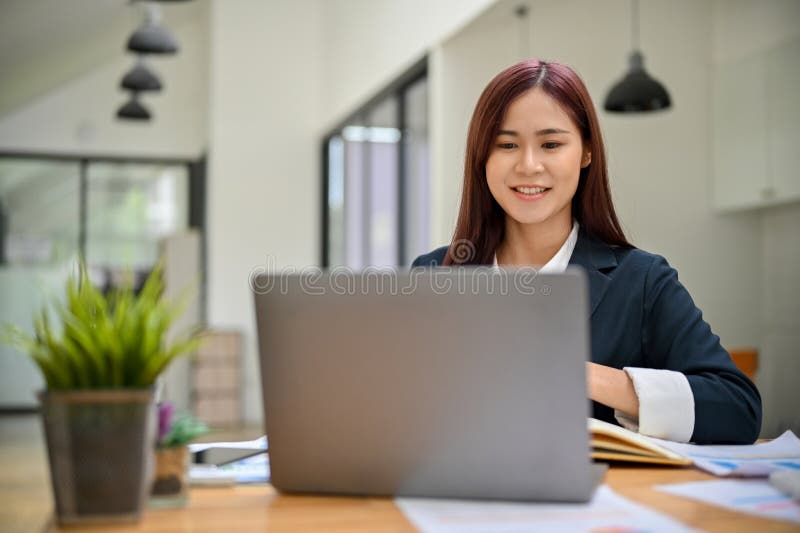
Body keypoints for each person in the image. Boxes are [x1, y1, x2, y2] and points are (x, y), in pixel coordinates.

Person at [412, 59, 761, 444]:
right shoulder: (434, 274)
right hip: (459, 497)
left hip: (601, 499)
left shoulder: (642, 282)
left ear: (586, 153)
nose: (529, 165)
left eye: (551, 144)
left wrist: (578, 373)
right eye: (507, 144)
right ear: (483, 158)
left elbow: (738, 409)